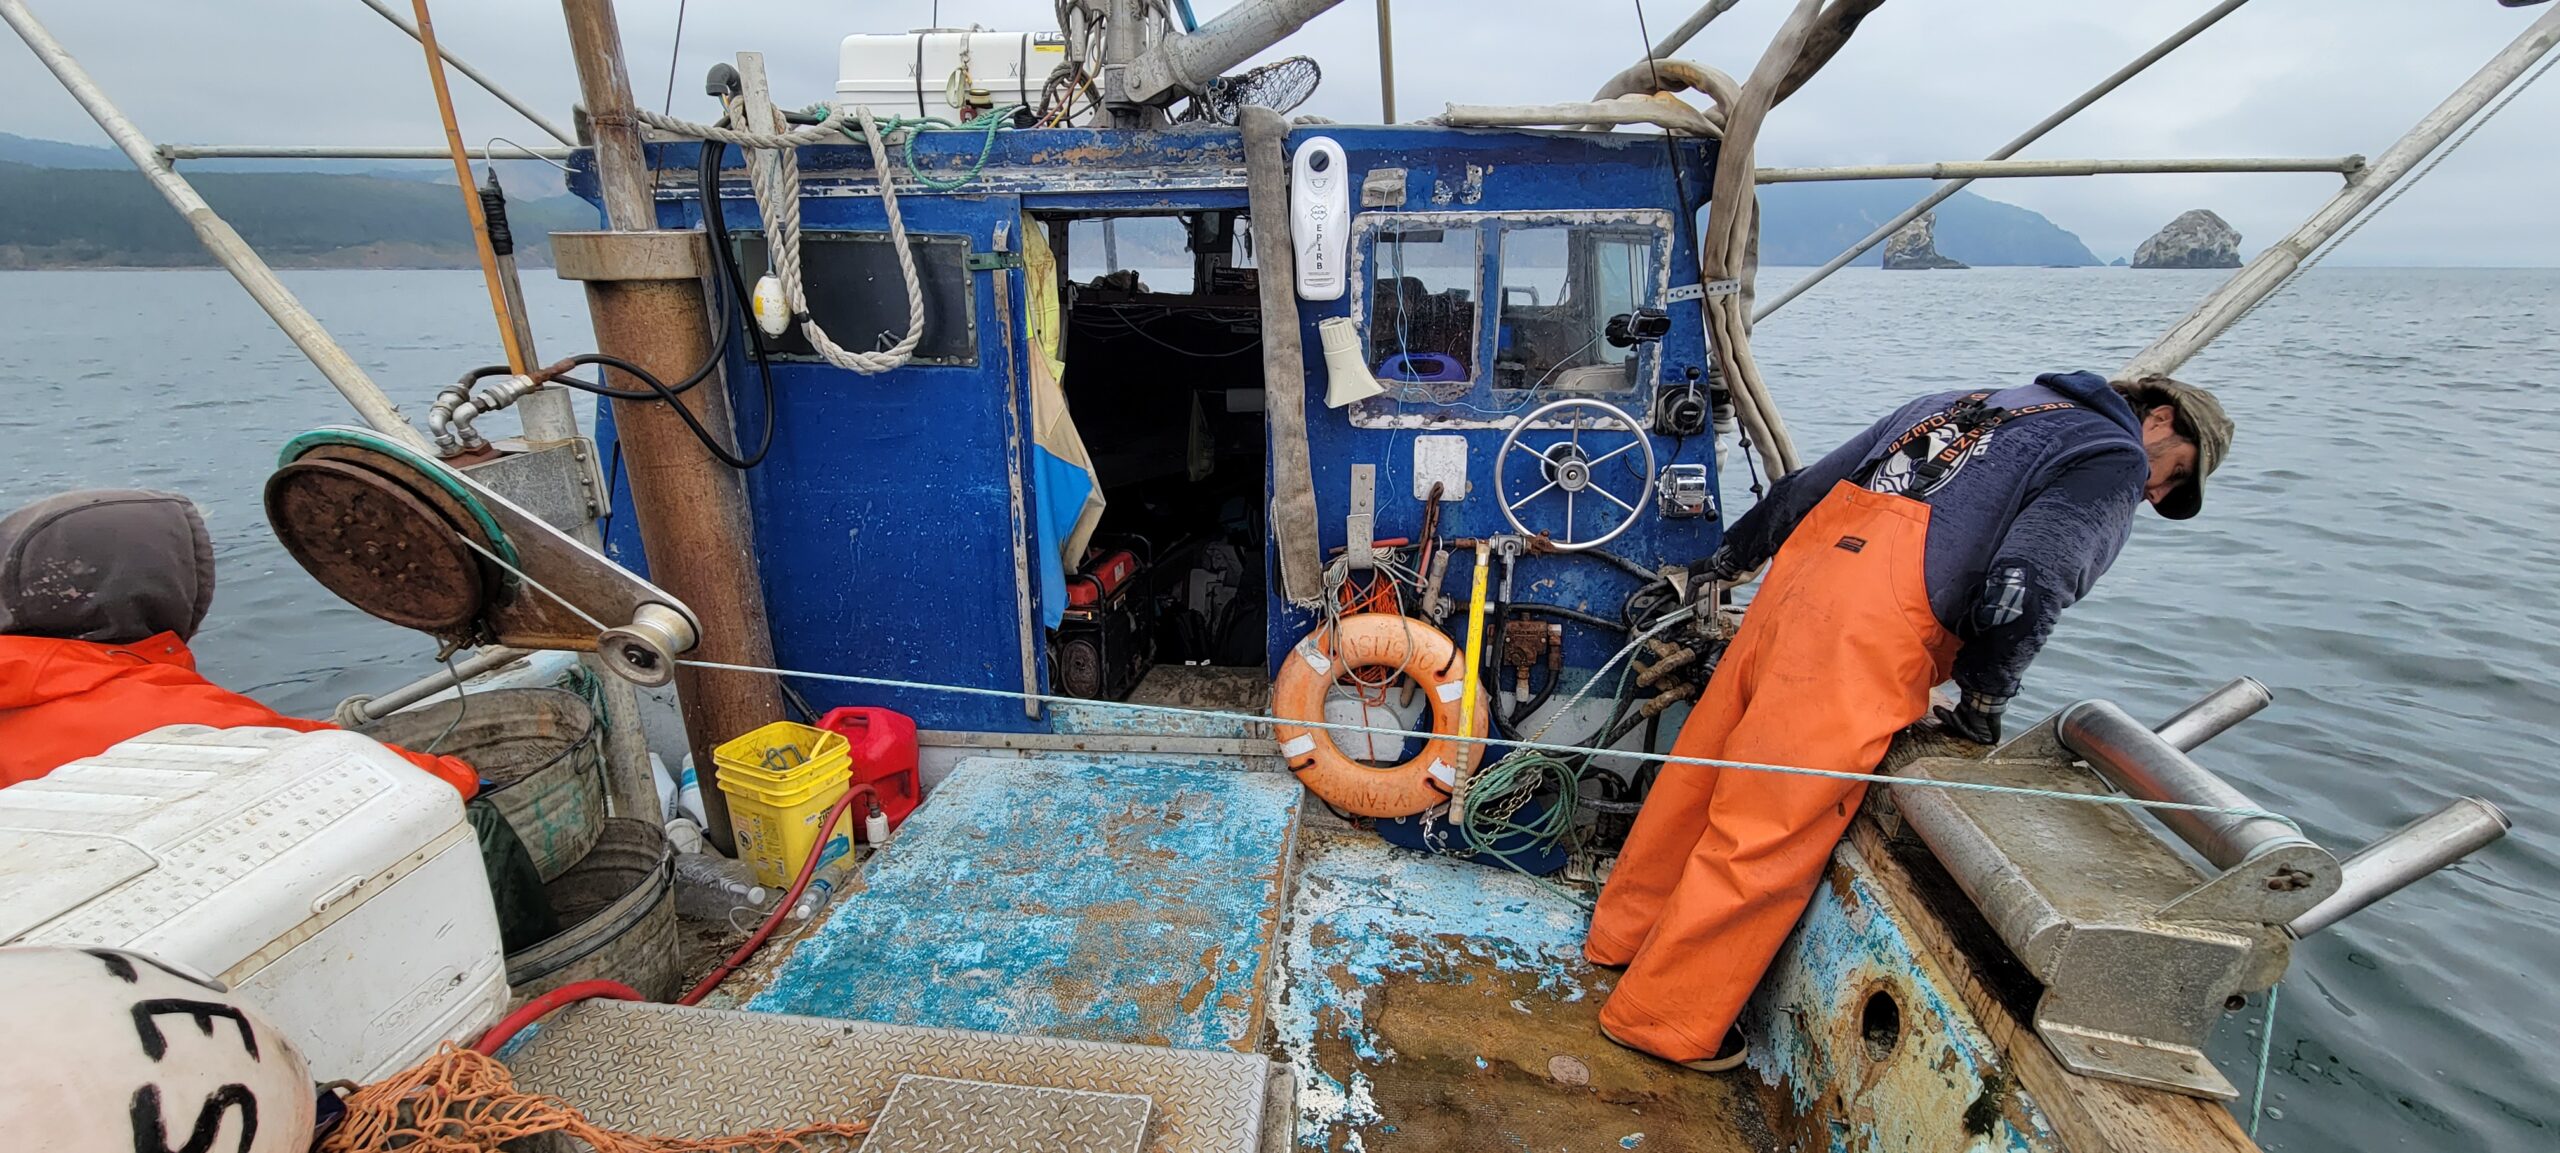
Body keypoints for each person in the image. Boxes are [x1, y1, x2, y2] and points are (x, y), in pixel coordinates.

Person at [1585, 371, 2231, 1070]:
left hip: (1791, 595)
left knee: (1698, 778)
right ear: (2160, 419)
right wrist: (1983, 702)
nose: (2154, 493)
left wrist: (1725, 561)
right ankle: (1662, 1020)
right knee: (1769, 830)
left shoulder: (1964, 402)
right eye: (2174, 475)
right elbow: (2026, 583)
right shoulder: (2113, 454)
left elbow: (1803, 490)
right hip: (1862, 640)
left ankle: (1621, 937)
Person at [0, 489, 478, 795]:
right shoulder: (171, 717)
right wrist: (463, 775)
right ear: (162, 589)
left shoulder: (27, 685)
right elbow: (402, 783)